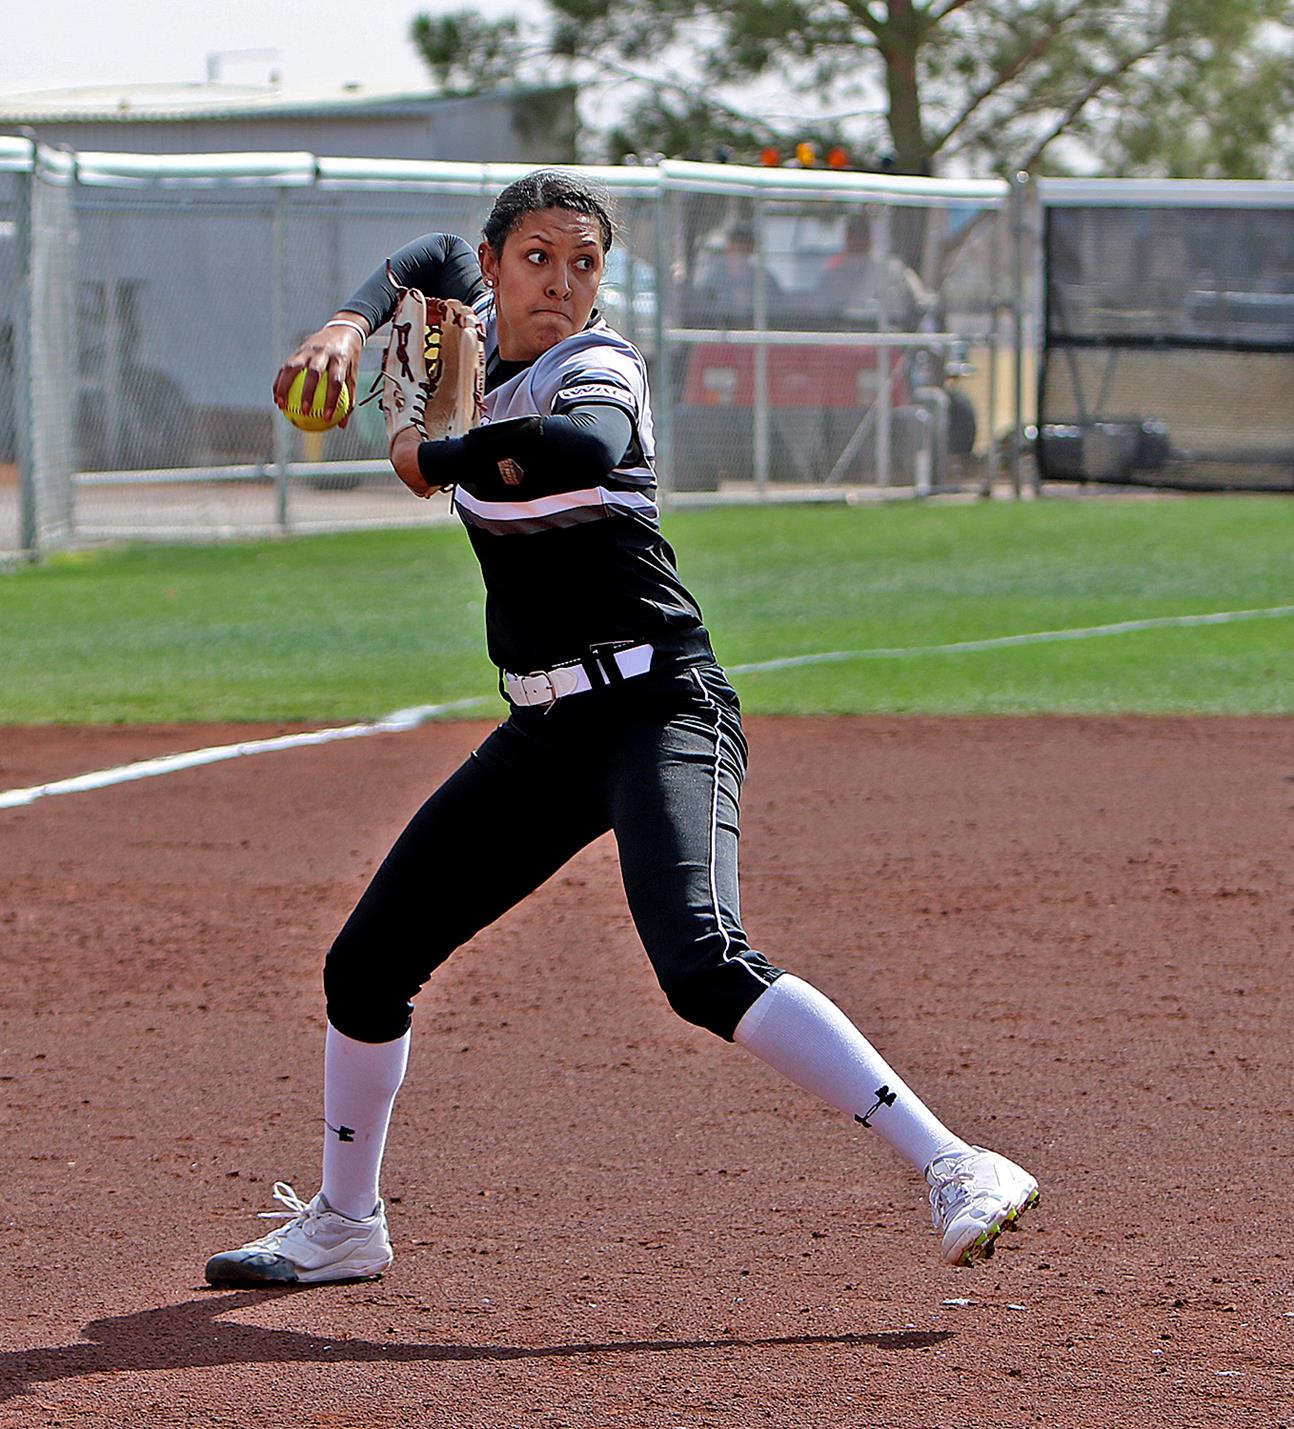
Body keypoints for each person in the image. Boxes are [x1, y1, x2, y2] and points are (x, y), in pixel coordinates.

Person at [207, 170, 1037, 1287]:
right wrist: (348, 326)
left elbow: (581, 450)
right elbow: (426, 250)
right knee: (366, 965)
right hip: (544, 732)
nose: (562, 280)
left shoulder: (594, 364)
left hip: (659, 706)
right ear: (497, 270)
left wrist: (425, 454)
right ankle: (345, 1223)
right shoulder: (469, 300)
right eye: (538, 258)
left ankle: (954, 1162)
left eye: (585, 261)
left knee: (698, 964)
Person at [815, 213, 932, 326]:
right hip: (840, 335)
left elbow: (920, 301)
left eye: (862, 235)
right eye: (853, 235)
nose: (857, 241)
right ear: (846, 238)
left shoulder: (893, 270)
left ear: (870, 238)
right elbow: (821, 306)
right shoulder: (836, 273)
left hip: (884, 335)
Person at [691, 224, 780, 319]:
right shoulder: (714, 279)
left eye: (743, 248)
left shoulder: (765, 280)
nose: (738, 253)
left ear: (751, 250)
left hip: (756, 330)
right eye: (735, 246)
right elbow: (703, 307)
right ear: (728, 248)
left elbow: (778, 306)